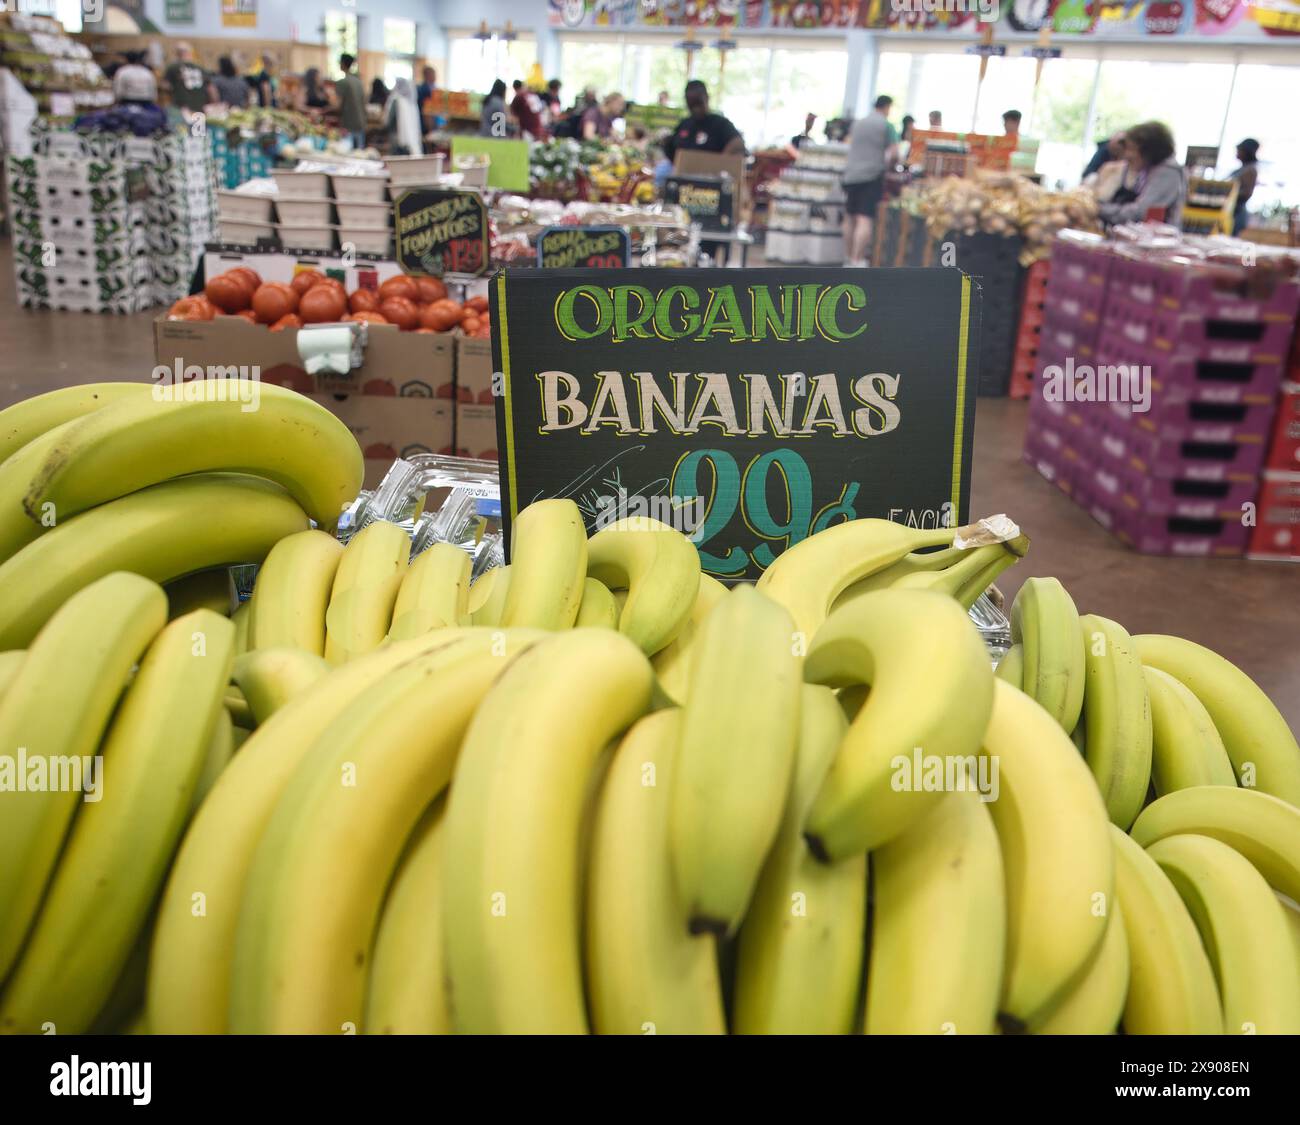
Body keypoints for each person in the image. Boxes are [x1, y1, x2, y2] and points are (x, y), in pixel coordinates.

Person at [842, 95, 899, 267]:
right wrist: (889, 165)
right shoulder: (886, 125)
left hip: (850, 175)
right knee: (864, 219)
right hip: (871, 176)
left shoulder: (857, 123)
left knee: (849, 217)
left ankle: (847, 258)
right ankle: (857, 259)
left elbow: (848, 144)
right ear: (887, 107)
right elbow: (895, 153)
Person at [1099, 121, 1186, 227]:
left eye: (1131, 149)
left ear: (1149, 150)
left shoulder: (1168, 172)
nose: (1126, 155)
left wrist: (1099, 209)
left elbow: (1140, 213)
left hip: (1156, 240)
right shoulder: (1147, 170)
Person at [662, 80, 744, 163]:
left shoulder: (721, 124)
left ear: (707, 98)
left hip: (712, 173)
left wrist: (720, 163)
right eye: (691, 104)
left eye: (699, 103)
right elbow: (672, 151)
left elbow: (737, 143)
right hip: (684, 171)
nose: (696, 108)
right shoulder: (684, 124)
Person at [163, 42, 211, 114]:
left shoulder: (173, 67)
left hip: (181, 107)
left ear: (177, 53)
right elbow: (210, 87)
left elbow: (165, 86)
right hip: (200, 106)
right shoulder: (200, 68)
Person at [384, 78, 423, 156]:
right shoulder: (411, 102)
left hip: (395, 135)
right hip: (411, 138)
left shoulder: (395, 100)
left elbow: (390, 120)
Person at [335, 54, 367, 151]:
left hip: (348, 124)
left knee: (347, 152)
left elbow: (338, 105)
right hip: (360, 122)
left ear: (343, 64)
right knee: (360, 153)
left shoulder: (342, 82)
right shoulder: (359, 82)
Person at [1229, 139, 1260, 236]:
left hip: (1236, 214)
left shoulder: (1250, 170)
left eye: (1239, 150)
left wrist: (1229, 194)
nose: (1237, 152)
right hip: (1232, 212)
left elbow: (1247, 193)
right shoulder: (1244, 168)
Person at [416, 65, 437, 133]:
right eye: (433, 74)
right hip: (424, 122)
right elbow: (426, 110)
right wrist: (430, 127)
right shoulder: (424, 89)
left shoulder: (432, 88)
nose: (435, 77)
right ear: (427, 75)